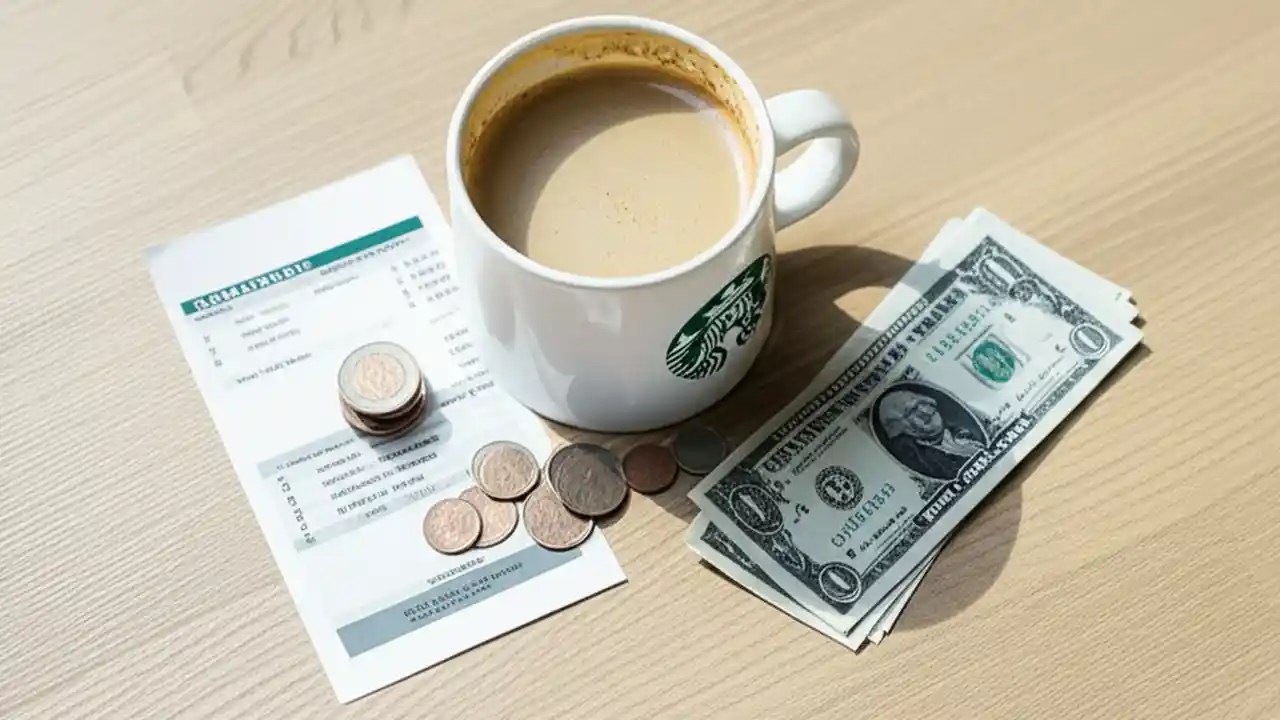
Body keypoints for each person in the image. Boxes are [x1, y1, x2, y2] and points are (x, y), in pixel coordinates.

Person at [876, 388, 985, 478]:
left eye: (922, 403)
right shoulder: (925, 462)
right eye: (911, 412)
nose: (924, 411)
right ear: (900, 429)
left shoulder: (965, 427)